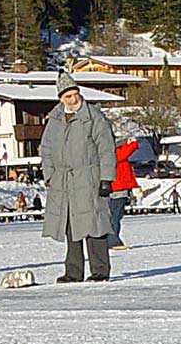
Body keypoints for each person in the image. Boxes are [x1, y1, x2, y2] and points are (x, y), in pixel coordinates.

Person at [40, 70, 116, 282]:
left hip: (89, 177)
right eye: (68, 96)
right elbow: (45, 149)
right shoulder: (54, 119)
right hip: (63, 181)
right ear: (61, 98)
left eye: (76, 94)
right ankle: (73, 271)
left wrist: (106, 178)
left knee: (94, 225)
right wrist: (49, 176)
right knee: (70, 226)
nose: (74, 99)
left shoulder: (93, 117)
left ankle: (100, 270)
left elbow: (106, 149)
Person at [110, 136, 139, 248]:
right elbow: (123, 154)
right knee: (115, 215)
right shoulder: (113, 152)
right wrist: (132, 144)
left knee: (117, 214)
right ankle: (113, 241)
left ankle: (113, 239)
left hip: (120, 187)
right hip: (118, 187)